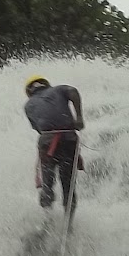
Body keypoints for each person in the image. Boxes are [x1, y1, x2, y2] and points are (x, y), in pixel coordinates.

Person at [23, 74, 84, 218]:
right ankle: (68, 225)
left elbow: (39, 128)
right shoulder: (58, 89)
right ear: (45, 84)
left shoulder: (28, 105)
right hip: (68, 139)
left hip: (46, 143)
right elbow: (73, 91)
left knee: (47, 185)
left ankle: (46, 221)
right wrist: (79, 118)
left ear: (30, 90)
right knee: (68, 186)